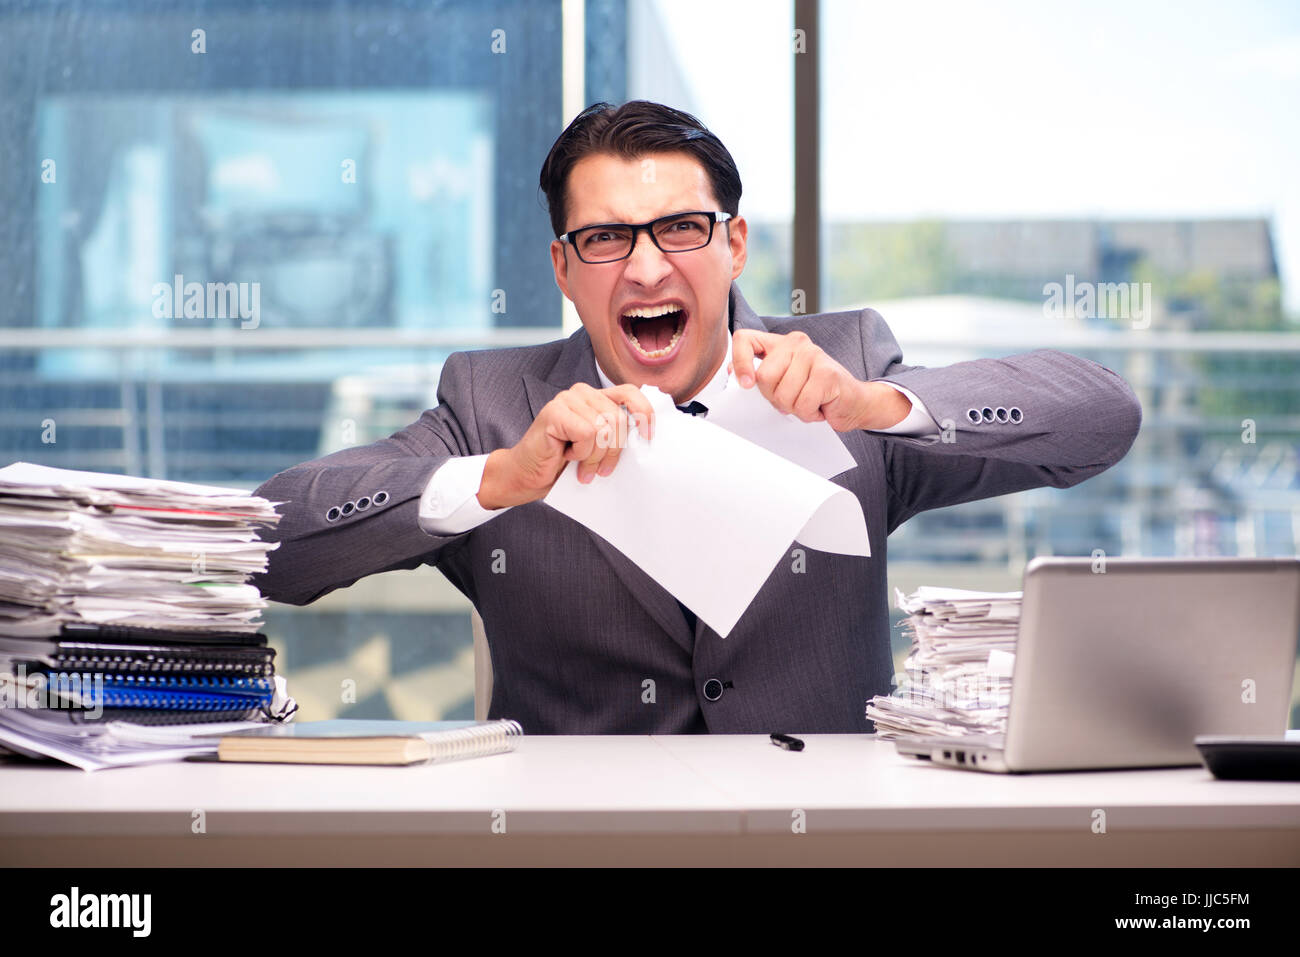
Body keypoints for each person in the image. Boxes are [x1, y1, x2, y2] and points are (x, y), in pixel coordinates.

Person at [251, 100, 1142, 734]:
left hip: (823, 843)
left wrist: (879, 406)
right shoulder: (493, 404)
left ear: (734, 245)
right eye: (606, 239)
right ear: (564, 268)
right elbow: (272, 545)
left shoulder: (849, 370)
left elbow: (1102, 415)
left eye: (680, 227)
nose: (644, 271)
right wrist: (493, 479)